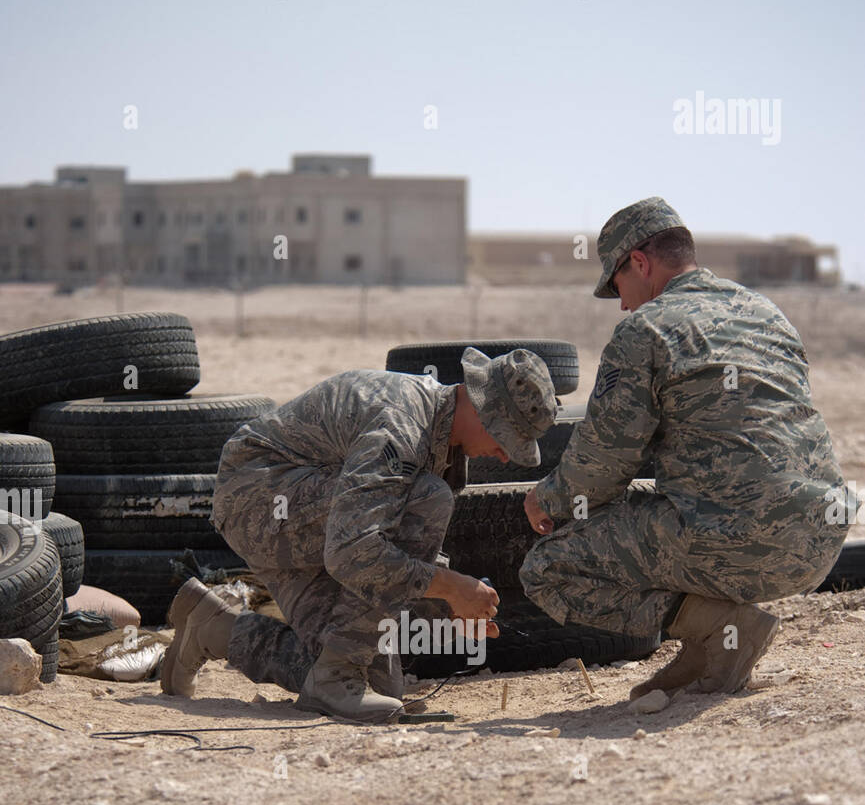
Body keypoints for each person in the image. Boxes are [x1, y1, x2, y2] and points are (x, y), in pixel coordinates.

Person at [521, 197, 854, 698]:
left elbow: (602, 464)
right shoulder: (765, 312)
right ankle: (709, 653)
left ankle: (722, 630)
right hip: (819, 540)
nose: (624, 303)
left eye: (617, 287)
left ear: (639, 262)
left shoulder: (646, 329)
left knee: (547, 567)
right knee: (677, 499)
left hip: (739, 539)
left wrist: (547, 498)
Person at [161, 348, 557, 722]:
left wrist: (451, 606)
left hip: (315, 521)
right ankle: (336, 675)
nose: (505, 456)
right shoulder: (402, 426)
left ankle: (214, 628)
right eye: (506, 439)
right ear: (482, 408)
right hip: (260, 502)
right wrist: (452, 588)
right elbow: (354, 550)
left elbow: (388, 540)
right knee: (428, 498)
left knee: (376, 687)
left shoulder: (440, 436)